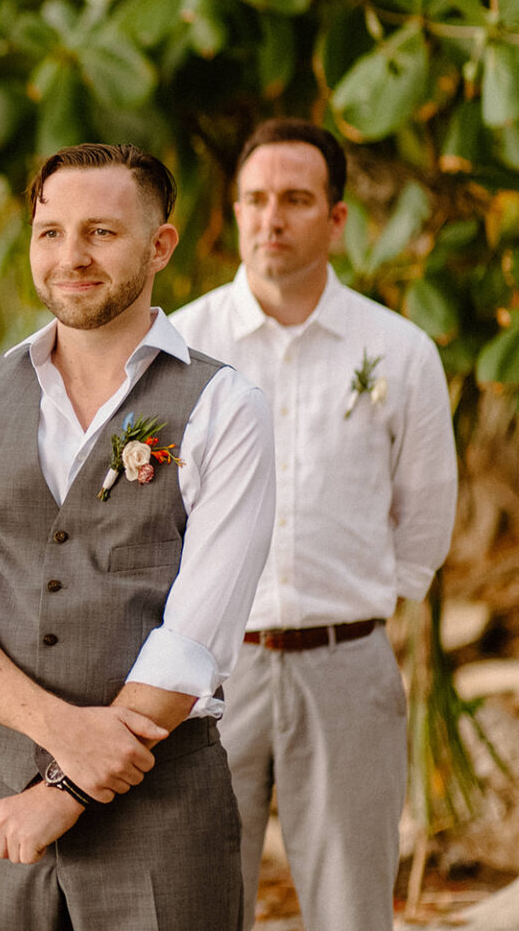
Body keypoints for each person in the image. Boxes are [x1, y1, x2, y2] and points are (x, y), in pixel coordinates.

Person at [0, 143, 278, 930]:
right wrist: (64, 738)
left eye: (102, 233)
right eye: (50, 232)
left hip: (164, 816)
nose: (70, 256)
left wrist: (67, 790)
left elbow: (195, 638)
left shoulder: (226, 407)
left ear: (161, 245)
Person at [170, 119, 458, 931]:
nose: (272, 219)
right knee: (196, 902)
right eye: (256, 200)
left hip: (347, 666)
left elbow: (427, 503)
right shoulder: (179, 349)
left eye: (296, 200)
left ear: (335, 219)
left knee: (352, 909)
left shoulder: (397, 351)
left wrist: (373, 604)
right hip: (204, 677)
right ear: (233, 212)